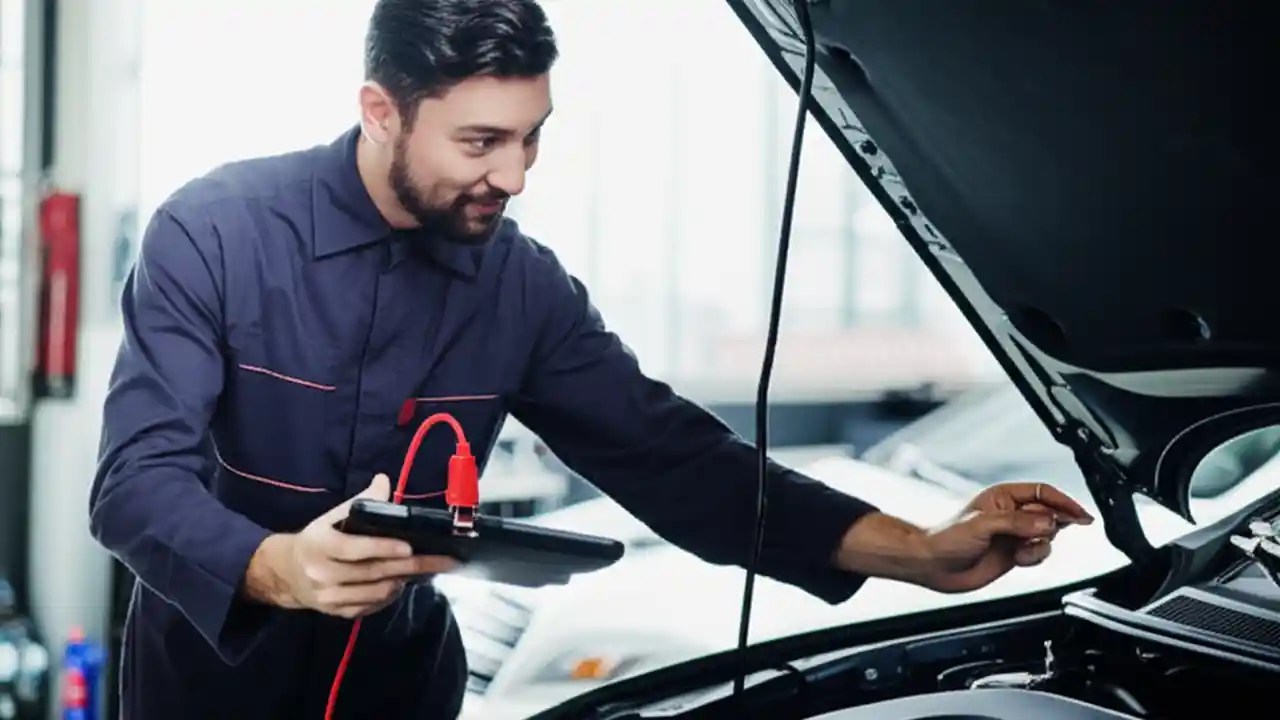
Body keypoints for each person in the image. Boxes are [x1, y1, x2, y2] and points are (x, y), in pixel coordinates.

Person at [88, 1, 1093, 718]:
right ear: (380, 109)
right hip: (213, 680)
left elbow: (672, 459)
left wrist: (918, 553)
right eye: (481, 141)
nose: (513, 176)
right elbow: (133, 486)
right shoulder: (215, 232)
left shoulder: (521, 285)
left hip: (403, 681)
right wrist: (282, 567)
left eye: (531, 139)